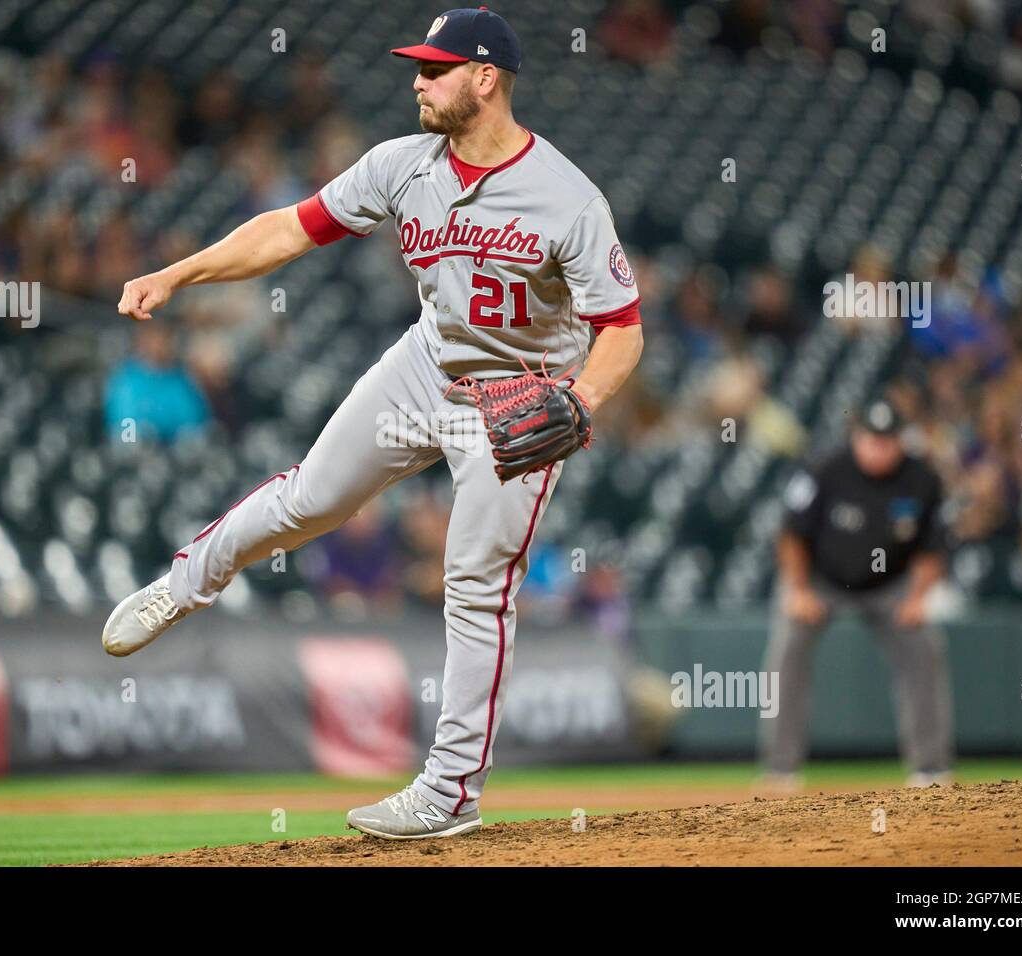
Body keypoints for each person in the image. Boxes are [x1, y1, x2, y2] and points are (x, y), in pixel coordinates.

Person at [102, 7, 644, 839]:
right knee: (309, 498)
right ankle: (182, 585)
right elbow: (290, 229)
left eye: (435, 68)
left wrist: (582, 400)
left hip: (518, 397)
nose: (417, 81)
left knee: (474, 587)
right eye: (417, 66)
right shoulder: (402, 164)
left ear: (486, 77)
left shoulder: (569, 198)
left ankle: (449, 792)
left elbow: (623, 328)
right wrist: (179, 273)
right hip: (427, 363)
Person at [759, 399, 955, 791]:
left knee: (923, 647)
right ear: (857, 436)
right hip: (822, 579)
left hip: (890, 586)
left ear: (901, 441)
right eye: (871, 439)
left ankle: (930, 770)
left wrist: (918, 598)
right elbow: (791, 533)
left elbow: (934, 548)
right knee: (787, 647)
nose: (878, 448)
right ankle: (780, 770)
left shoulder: (922, 479)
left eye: (887, 440)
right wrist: (797, 590)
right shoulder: (825, 468)